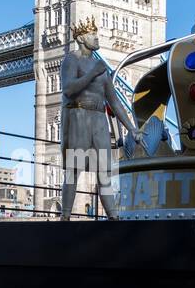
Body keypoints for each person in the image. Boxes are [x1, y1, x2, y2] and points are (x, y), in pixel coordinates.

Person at [58, 17, 141, 219]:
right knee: (73, 170)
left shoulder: (100, 66)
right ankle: (66, 216)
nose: (97, 37)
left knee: (104, 171)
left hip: (99, 119)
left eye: (96, 33)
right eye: (92, 34)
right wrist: (91, 74)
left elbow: (114, 102)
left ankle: (113, 215)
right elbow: (69, 89)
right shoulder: (72, 59)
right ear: (80, 38)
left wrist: (131, 128)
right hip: (78, 116)